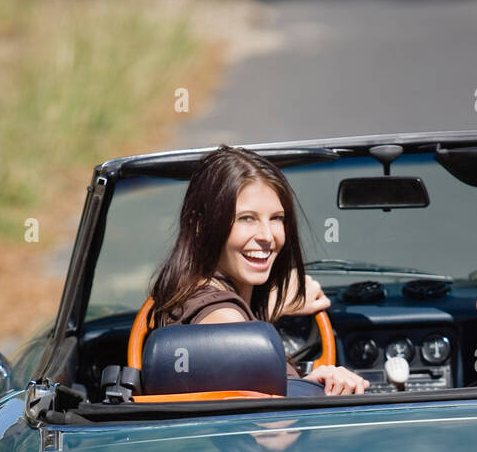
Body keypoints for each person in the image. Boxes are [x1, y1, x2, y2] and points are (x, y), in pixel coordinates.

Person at [149, 145, 366, 395]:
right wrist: (318, 393)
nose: (267, 236)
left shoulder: (190, 297)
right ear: (200, 225)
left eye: (276, 218)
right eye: (247, 218)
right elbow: (271, 428)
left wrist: (306, 382)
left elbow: (244, 400)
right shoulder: (227, 324)